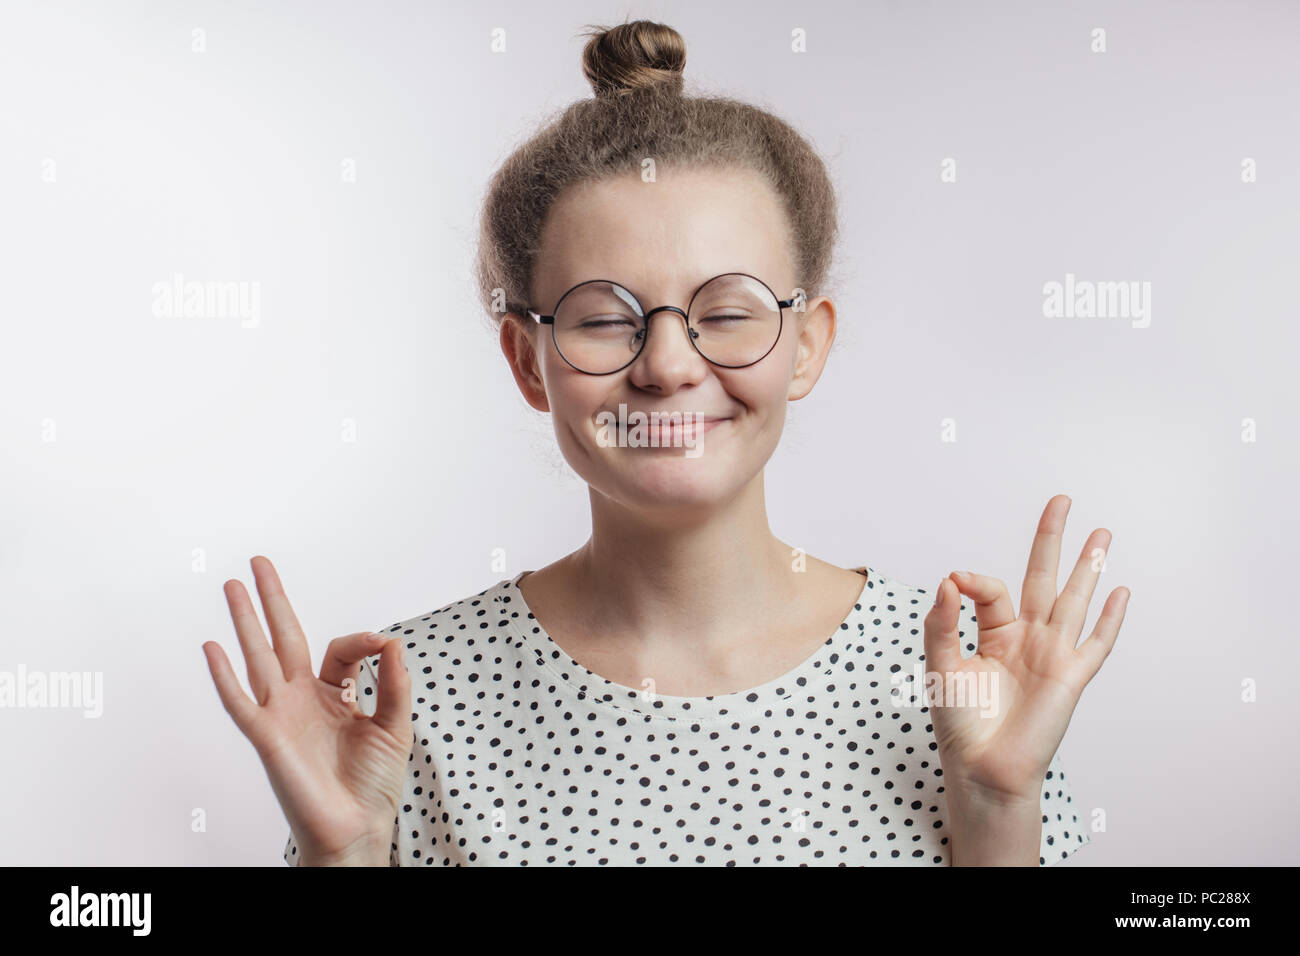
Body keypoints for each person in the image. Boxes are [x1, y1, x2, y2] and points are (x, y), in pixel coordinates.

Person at [202, 19, 1129, 867]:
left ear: (807, 346)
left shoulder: (960, 673)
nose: (669, 365)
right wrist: (346, 855)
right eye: (605, 320)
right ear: (530, 361)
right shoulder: (405, 700)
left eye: (728, 311)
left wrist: (995, 801)